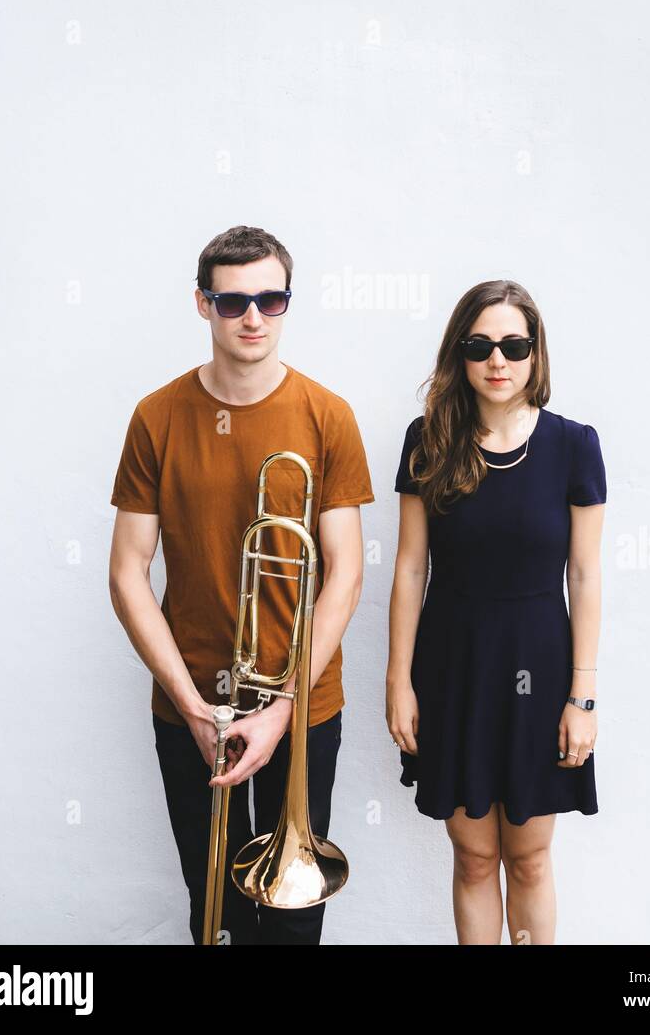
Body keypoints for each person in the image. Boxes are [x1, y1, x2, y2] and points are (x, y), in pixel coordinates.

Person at [108, 224, 374, 945]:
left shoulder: (328, 414)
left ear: (287, 303)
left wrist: (285, 704)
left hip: (302, 703)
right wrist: (192, 707)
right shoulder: (156, 417)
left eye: (270, 299)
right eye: (233, 302)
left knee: (292, 915)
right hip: (194, 702)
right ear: (203, 305)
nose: (253, 317)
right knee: (214, 905)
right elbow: (127, 571)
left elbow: (345, 573)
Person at [387, 278, 606, 945]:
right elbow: (409, 567)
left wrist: (583, 697)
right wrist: (398, 681)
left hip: (541, 669)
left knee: (531, 858)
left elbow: (586, 573)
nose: (498, 360)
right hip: (454, 665)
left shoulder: (574, 446)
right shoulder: (428, 439)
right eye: (481, 345)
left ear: (536, 353)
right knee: (476, 856)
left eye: (514, 344)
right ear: (460, 353)